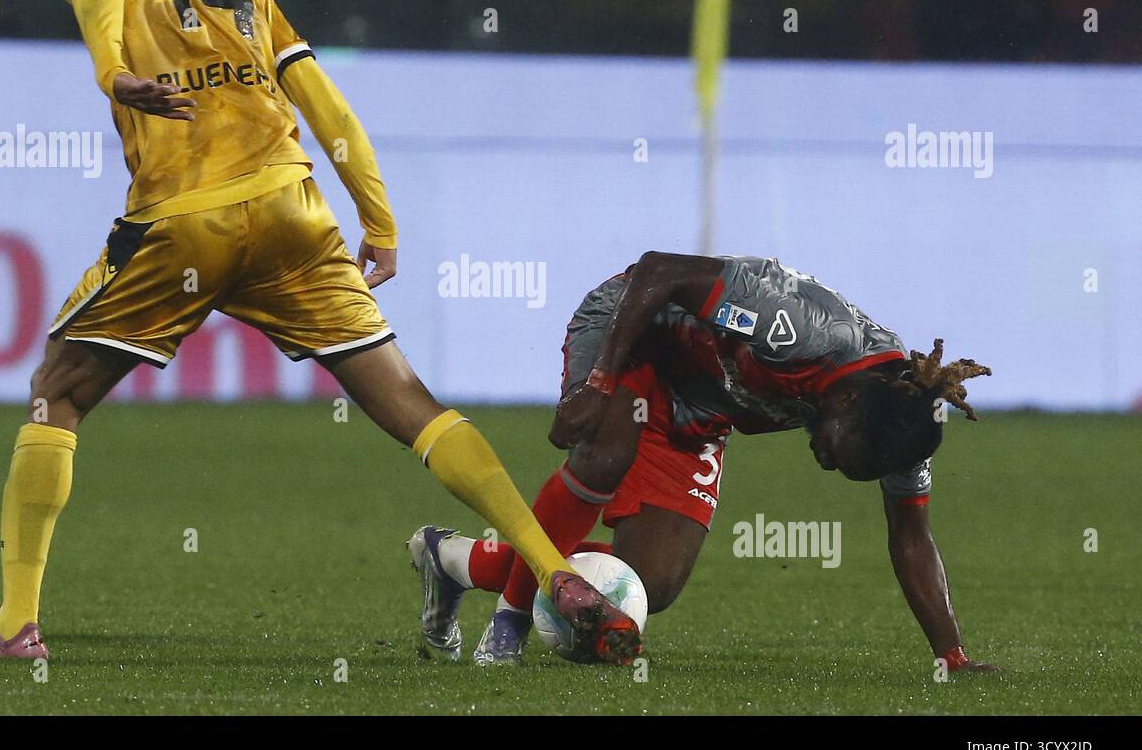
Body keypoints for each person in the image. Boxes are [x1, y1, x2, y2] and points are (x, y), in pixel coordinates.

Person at [0, 0, 638, 665]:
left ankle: (15, 627)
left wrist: (111, 69)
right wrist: (379, 221)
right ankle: (550, 567)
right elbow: (325, 104)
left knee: (57, 391)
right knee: (412, 403)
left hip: (187, 214)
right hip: (293, 211)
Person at [410, 253, 997, 674]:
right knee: (606, 456)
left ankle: (453, 559)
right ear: (846, 403)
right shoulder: (800, 328)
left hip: (700, 406)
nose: (830, 466)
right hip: (634, 333)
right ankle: (507, 629)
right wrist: (601, 381)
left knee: (643, 587)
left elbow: (911, 537)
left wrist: (952, 655)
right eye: (846, 458)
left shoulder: (903, 424)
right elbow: (658, 272)